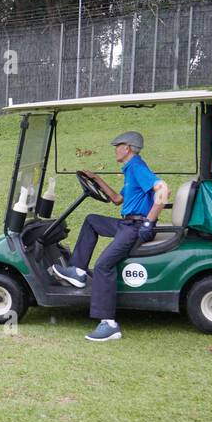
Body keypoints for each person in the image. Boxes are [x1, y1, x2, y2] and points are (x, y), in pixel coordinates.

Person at [49, 131, 169, 342]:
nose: (115, 149)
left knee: (104, 265)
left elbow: (163, 189)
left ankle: (109, 324)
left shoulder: (138, 167)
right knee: (92, 220)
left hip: (136, 227)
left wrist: (149, 221)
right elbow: (116, 199)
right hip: (126, 223)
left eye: (118, 145)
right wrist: (96, 179)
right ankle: (77, 271)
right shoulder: (130, 169)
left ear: (128, 148)